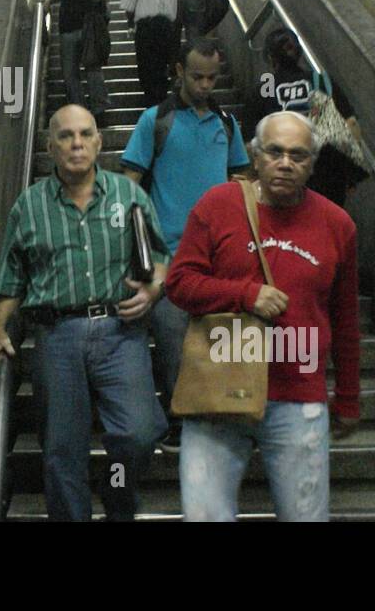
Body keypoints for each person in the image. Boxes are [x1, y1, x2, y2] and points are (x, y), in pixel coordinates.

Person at [165, 111, 361, 521]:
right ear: (255, 156)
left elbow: (345, 317)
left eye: (298, 155)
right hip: (219, 386)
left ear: (312, 164)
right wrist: (245, 294)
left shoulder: (337, 224)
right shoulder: (217, 205)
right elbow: (179, 284)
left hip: (298, 394)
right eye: (275, 152)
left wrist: (347, 396)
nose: (285, 163)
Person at [0, 104, 170, 521]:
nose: (77, 143)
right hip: (57, 336)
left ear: (99, 142)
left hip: (120, 332)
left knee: (140, 433)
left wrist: (155, 287)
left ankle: (116, 489)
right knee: (61, 452)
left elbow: (161, 254)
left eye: (86, 134)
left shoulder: (128, 195)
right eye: (66, 136)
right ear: (50, 146)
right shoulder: (29, 206)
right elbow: (12, 278)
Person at [121, 37, 251, 444]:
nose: (206, 85)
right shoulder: (155, 121)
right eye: (197, 76)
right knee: (175, 341)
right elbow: (130, 185)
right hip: (171, 258)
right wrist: (144, 247)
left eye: (212, 78)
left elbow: (243, 180)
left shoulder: (226, 124)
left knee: (221, 338)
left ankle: (226, 414)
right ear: (179, 71)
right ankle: (183, 422)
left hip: (221, 258)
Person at [242, 27, 366, 206]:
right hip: (328, 178)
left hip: (282, 180)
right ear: (299, 53)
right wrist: (350, 175)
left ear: (270, 58)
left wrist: (252, 181)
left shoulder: (263, 90)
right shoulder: (322, 81)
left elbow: (248, 143)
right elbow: (351, 124)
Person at [48, 0, 111, 126]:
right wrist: (47, 4)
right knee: (69, 73)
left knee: (92, 68)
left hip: (88, 24)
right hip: (67, 25)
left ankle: (100, 110)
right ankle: (80, 111)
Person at [119, 0, 179, 106]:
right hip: (166, 27)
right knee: (161, 66)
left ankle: (151, 101)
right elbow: (174, 10)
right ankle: (162, 99)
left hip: (146, 27)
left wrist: (131, 25)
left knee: (146, 66)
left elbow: (129, 7)